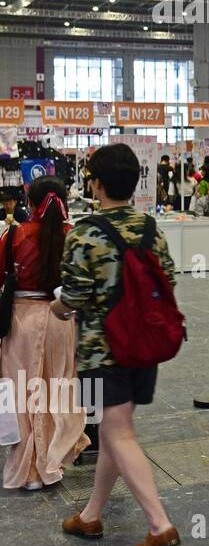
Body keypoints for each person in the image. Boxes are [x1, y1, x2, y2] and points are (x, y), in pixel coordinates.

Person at [53, 144, 180, 546]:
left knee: (117, 432)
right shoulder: (149, 227)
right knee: (114, 431)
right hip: (143, 346)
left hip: (100, 352)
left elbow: (73, 295)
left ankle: (159, 524)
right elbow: (169, 278)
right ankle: (91, 514)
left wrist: (56, 307)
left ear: (96, 183)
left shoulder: (84, 233)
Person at [0, 177, 89, 490]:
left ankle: (30, 471)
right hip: (61, 319)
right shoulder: (72, 236)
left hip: (21, 321)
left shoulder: (14, 235)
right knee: (56, 390)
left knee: (22, 393)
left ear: (30, 200)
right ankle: (51, 461)